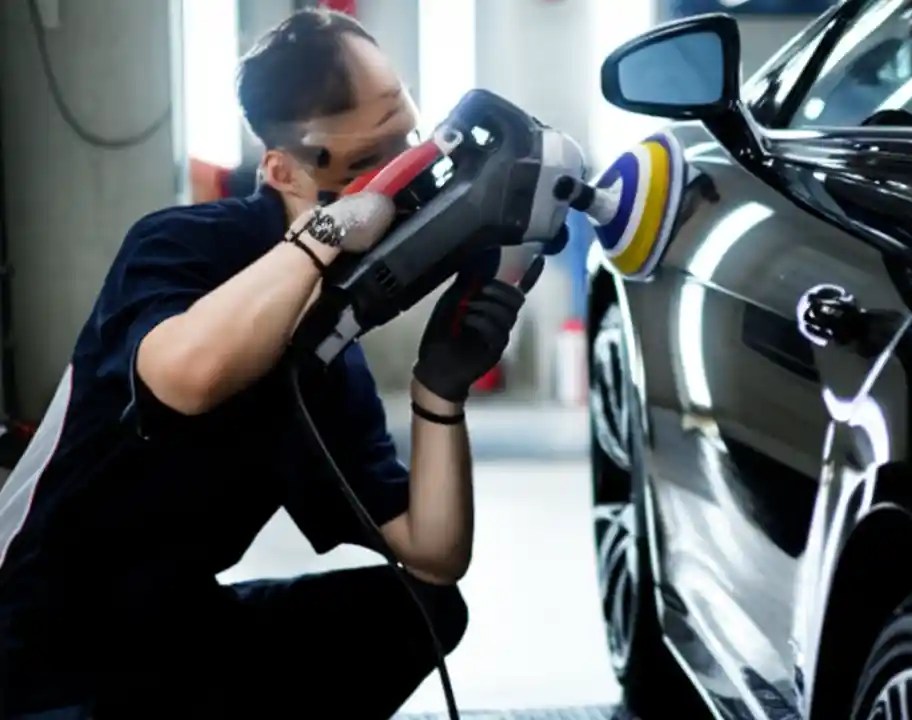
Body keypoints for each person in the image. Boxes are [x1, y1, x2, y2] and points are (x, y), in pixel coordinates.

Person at [0, 9, 529, 718]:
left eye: (412, 144)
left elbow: (432, 551)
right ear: (282, 170)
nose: (407, 184)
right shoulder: (181, 245)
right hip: (38, 642)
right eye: (375, 163)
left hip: (173, 627)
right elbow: (185, 378)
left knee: (421, 611)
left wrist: (440, 392)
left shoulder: (329, 347)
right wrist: (325, 233)